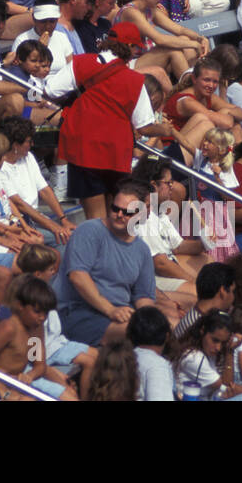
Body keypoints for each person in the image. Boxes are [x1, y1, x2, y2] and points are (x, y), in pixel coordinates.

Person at [44, 23, 154, 218]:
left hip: (84, 149)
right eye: (136, 47)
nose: (136, 52)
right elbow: (145, 125)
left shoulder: (81, 62)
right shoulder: (135, 79)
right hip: (117, 153)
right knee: (118, 219)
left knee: (96, 221)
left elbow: (51, 90)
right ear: (128, 46)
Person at [53, 178, 158, 345]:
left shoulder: (142, 250)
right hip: (78, 312)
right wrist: (111, 310)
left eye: (127, 212)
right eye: (116, 209)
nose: (120, 215)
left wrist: (152, 323)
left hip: (120, 314)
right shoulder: (89, 231)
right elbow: (77, 277)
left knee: (164, 328)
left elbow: (143, 296)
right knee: (138, 335)